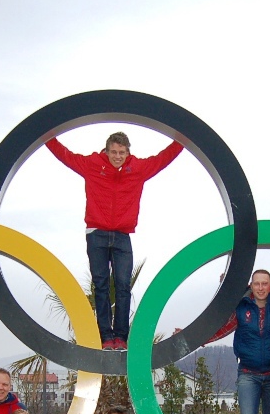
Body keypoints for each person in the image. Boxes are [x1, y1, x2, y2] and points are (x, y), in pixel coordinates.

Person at [46, 131, 183, 350]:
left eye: (121, 152)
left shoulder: (137, 169)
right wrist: (46, 137)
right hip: (96, 233)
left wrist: (182, 141)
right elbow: (66, 156)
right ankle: (105, 336)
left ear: (128, 152)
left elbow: (162, 159)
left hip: (122, 235)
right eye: (113, 152)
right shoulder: (92, 164)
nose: (117, 156)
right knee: (100, 285)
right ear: (106, 150)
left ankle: (121, 336)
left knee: (122, 286)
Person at [208, 270, 270, 414]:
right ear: (251, 286)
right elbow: (221, 327)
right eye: (257, 284)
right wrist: (194, 338)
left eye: (265, 284)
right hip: (248, 373)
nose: (261, 288)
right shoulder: (242, 306)